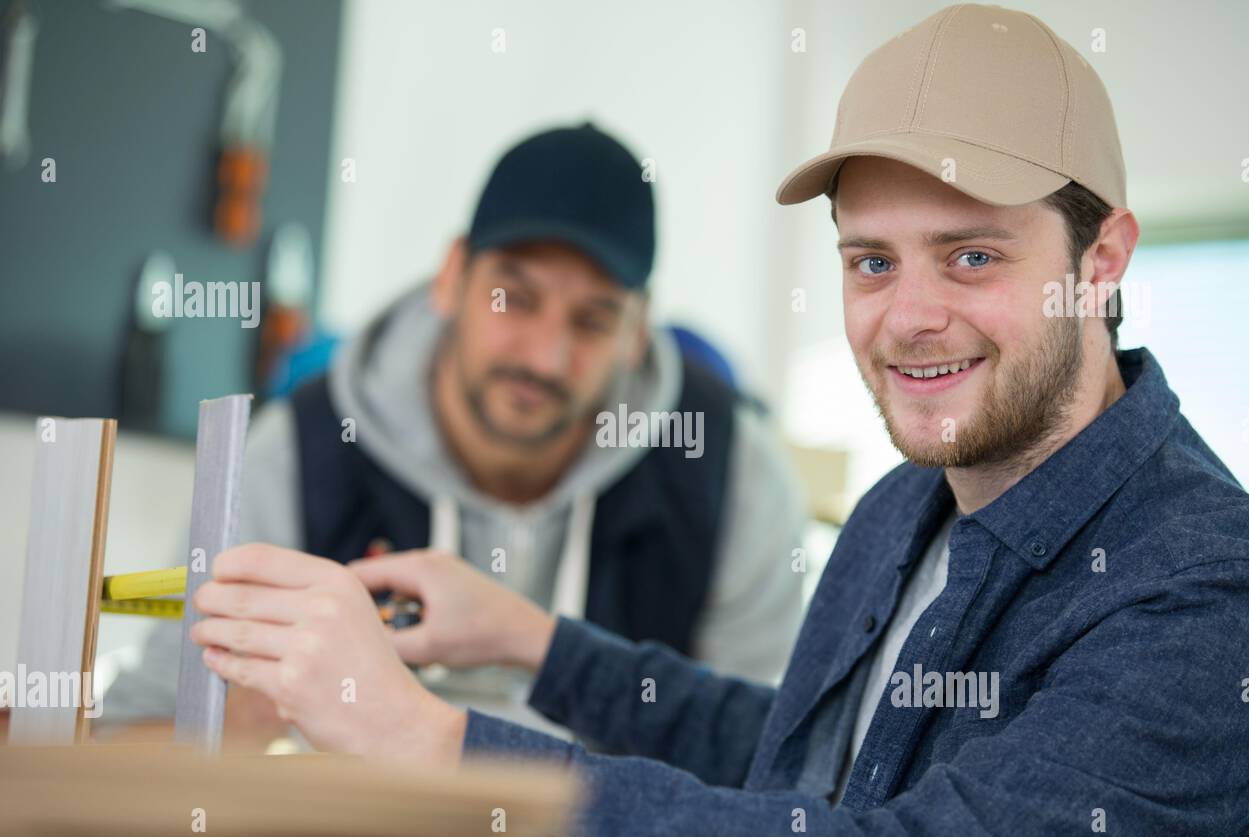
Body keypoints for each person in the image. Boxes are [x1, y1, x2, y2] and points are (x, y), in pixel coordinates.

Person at [184, 4, 1249, 837]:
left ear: (1099, 261)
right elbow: (808, 768)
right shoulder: (905, 509)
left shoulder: (1214, 599)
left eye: (971, 255)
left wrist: (437, 746)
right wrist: (535, 641)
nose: (907, 317)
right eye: (870, 260)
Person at [103, 123, 807, 738]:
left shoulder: (734, 478)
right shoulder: (294, 455)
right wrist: (242, 731)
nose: (544, 356)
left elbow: (767, 762)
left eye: (592, 320)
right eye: (515, 298)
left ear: (636, 331)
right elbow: (151, 724)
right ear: (451, 277)